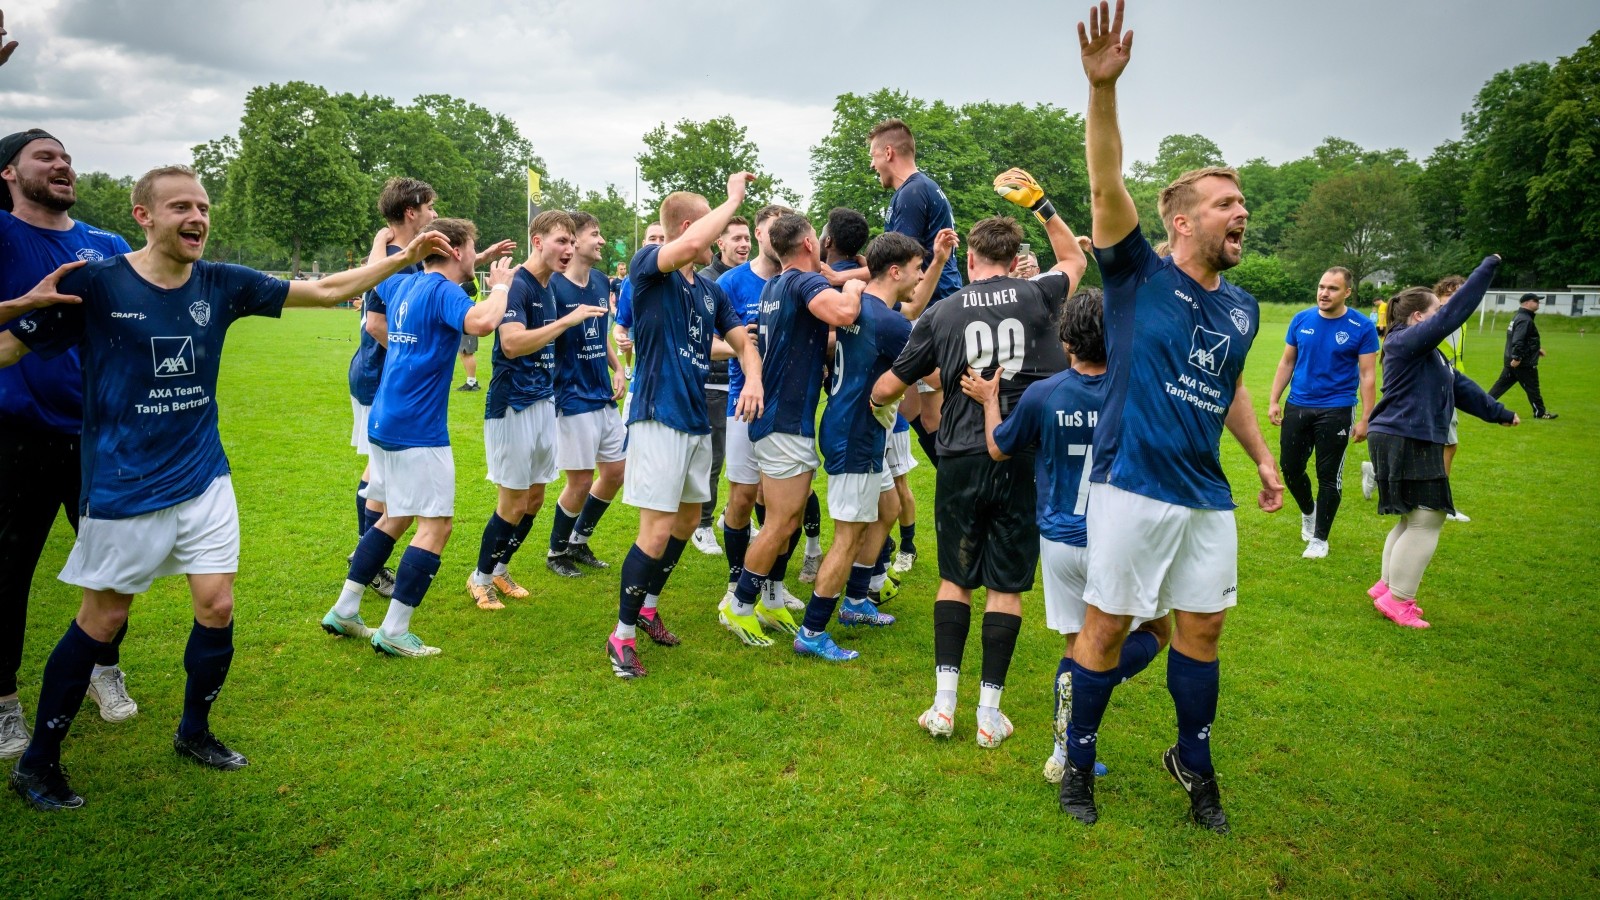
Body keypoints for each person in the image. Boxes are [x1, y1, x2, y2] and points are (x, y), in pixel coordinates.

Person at [2, 164, 452, 811]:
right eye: (181, 205)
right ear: (143, 216)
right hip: (124, 484)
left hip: (204, 476)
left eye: (204, 207)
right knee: (105, 617)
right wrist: (18, 308)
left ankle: (195, 731)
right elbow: (10, 350)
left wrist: (402, 258)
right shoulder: (96, 284)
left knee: (216, 606)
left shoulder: (220, 283)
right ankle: (39, 763)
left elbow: (324, 292)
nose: (197, 217)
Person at [1062, 0, 1284, 834]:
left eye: (1244, 204)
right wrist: (1103, 92)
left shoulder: (1246, 308)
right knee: (1108, 625)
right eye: (1227, 203)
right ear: (1183, 220)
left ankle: (1192, 758)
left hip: (1205, 493)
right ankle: (1077, 760)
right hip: (1129, 482)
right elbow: (1103, 181)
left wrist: (1262, 460)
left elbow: (1227, 388)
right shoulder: (1135, 276)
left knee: (1204, 629)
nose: (1242, 214)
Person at [872, 195, 1089, 748]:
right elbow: (1075, 260)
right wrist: (1043, 206)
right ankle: (988, 713)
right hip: (1023, 456)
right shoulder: (1038, 293)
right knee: (1007, 585)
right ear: (1015, 255)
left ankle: (944, 706)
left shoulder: (943, 312)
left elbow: (888, 387)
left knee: (955, 578)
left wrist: (877, 395)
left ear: (970, 258)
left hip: (962, 455)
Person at [962, 288, 1170, 785]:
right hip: (1116, 538)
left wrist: (991, 401)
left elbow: (997, 449)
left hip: (1058, 540)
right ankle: (1081, 705)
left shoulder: (1044, 393)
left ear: (1066, 339)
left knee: (1080, 646)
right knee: (1159, 632)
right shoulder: (1137, 389)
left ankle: (1063, 749)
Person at [0, 129, 139, 758]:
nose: (62, 165)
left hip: (98, 435)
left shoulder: (104, 245)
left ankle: (102, 670)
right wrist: (22, 303)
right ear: (8, 172)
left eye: (66, 157)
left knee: (114, 564)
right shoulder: (3, 236)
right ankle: (4, 703)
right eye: (44, 157)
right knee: (7, 574)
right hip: (16, 437)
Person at [323, 219, 511, 656]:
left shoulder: (403, 283)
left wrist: (378, 243)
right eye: (473, 248)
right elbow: (482, 322)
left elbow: (377, 269)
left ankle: (346, 610)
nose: (476, 255)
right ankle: (394, 630)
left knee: (394, 517)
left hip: (384, 421)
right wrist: (499, 285)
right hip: (418, 430)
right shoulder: (446, 292)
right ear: (456, 250)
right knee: (436, 526)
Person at [607, 174, 764, 678]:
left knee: (686, 517)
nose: (722, 240)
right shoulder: (649, 270)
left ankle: (648, 606)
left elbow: (741, 339)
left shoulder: (708, 291)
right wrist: (735, 198)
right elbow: (693, 244)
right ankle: (621, 636)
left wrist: (754, 377)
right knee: (654, 531)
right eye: (715, 225)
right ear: (692, 227)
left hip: (696, 418)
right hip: (659, 415)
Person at [719, 212, 864, 650]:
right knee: (780, 524)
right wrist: (853, 286)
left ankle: (765, 602)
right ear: (807, 245)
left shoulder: (772, 286)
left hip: (780, 417)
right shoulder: (804, 283)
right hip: (784, 420)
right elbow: (842, 312)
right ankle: (739, 605)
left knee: (788, 518)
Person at [462, 211, 608, 608]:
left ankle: (501, 569)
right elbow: (511, 343)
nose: (569, 249)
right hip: (512, 404)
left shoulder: (547, 286)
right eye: (561, 241)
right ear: (537, 241)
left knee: (536, 499)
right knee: (511, 501)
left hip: (544, 400)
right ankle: (479, 578)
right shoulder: (518, 285)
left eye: (571, 242)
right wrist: (567, 321)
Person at [1367, 261, 1518, 629]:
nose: (1443, 318)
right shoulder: (1406, 339)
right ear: (1420, 317)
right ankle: (1399, 600)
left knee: (1412, 516)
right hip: (1407, 435)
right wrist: (1487, 269)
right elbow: (1454, 314)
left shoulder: (1427, 352)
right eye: (1436, 311)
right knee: (1428, 517)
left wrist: (1499, 412)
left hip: (1402, 433)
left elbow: (1460, 386)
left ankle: (1387, 587)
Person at [347, 177, 440, 600]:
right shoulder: (394, 257)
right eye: (430, 207)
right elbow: (375, 323)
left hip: (383, 375)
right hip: (377, 375)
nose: (435, 214)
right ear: (411, 211)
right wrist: (415, 352)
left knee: (378, 471)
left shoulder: (403, 254)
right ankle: (368, 561)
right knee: (377, 474)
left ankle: (367, 559)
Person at [869, 117, 965, 468]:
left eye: (874, 155)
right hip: (938, 302)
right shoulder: (922, 188)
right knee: (916, 410)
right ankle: (958, 480)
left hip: (930, 306)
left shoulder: (910, 193)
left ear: (889, 152)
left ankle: (965, 479)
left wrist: (839, 276)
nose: (872, 164)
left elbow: (897, 266)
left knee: (934, 402)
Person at [1266, 266, 1378, 558]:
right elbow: (1287, 362)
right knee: (1290, 469)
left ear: (1347, 293)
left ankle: (1320, 540)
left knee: (1328, 476)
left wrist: (1367, 417)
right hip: (1298, 404)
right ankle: (1308, 511)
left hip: (1337, 408)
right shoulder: (1301, 319)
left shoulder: (1362, 326)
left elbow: (1368, 375)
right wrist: (1274, 399)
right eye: (1321, 286)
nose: (1324, 293)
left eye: (1332, 288)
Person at [713, 205, 792, 602]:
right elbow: (702, 343)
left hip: (789, 406)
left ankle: (774, 588)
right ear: (759, 235)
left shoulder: (799, 280)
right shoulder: (729, 283)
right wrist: (737, 344)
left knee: (784, 503)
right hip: (742, 404)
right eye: (772, 231)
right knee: (742, 497)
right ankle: (735, 583)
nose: (780, 238)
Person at [545, 211, 629, 577]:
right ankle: (556, 551)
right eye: (596, 234)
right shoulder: (552, 286)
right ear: (574, 241)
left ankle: (579, 541)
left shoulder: (598, 280)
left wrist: (619, 367)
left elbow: (600, 331)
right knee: (579, 480)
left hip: (602, 394)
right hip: (571, 397)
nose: (602, 241)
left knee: (616, 471)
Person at [689, 215, 750, 556]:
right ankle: (702, 524)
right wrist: (744, 347)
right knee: (713, 458)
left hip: (744, 384)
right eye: (736, 238)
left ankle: (734, 515)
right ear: (720, 243)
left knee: (743, 459)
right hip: (713, 382)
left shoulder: (755, 277)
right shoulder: (706, 281)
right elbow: (700, 339)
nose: (743, 244)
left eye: (746, 238)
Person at [1488, 293, 1556, 420]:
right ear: (1526, 303)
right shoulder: (1525, 319)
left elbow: (1523, 339)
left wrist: (1536, 350)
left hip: (1512, 361)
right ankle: (1540, 412)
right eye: (1535, 300)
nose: (1538, 303)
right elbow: (1518, 340)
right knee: (1533, 389)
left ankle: (1483, 404)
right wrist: (1517, 358)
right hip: (1522, 363)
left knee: (1499, 387)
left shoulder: (1520, 317)